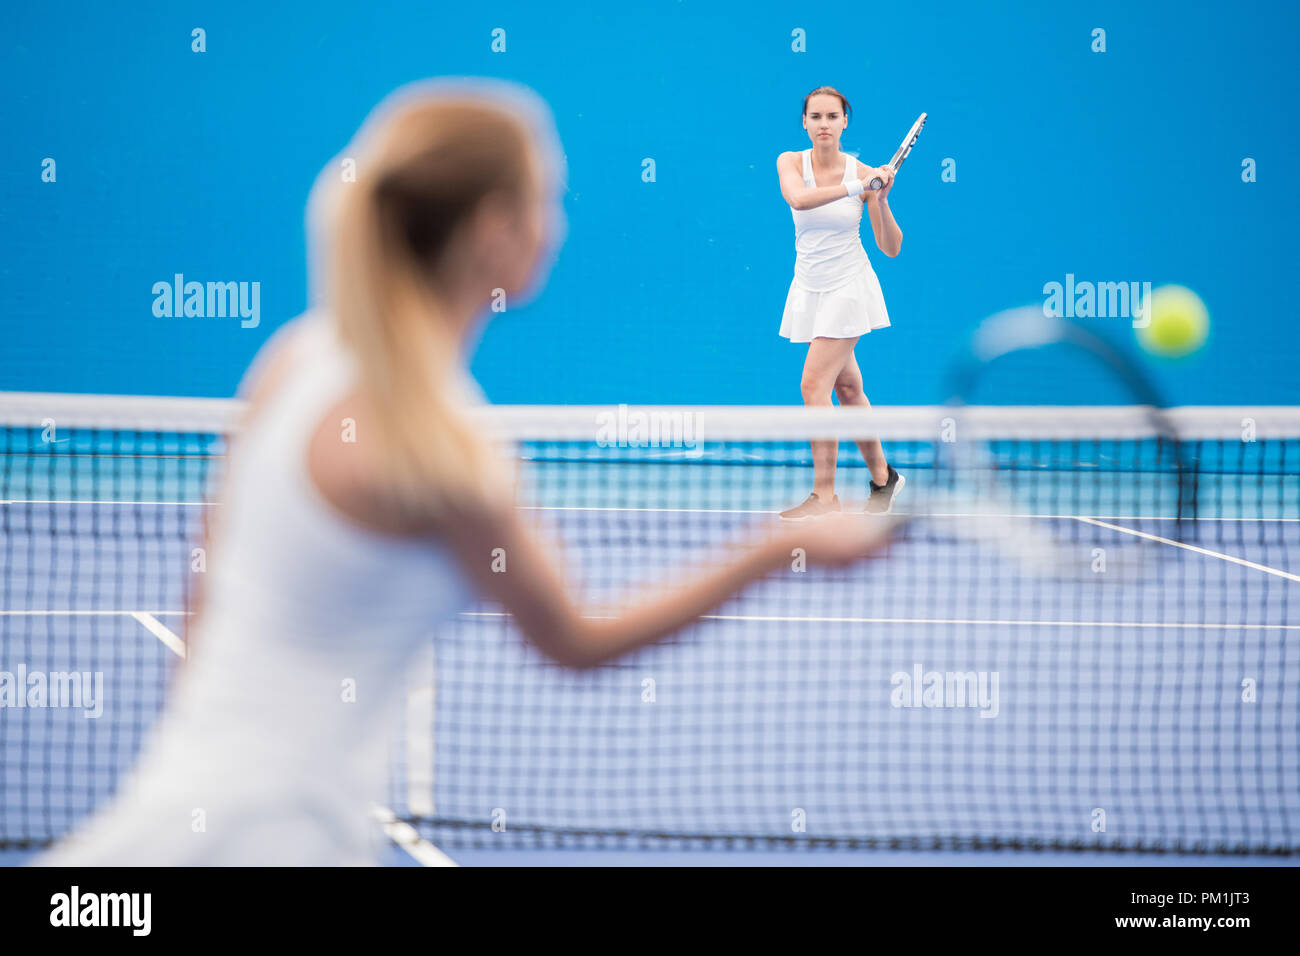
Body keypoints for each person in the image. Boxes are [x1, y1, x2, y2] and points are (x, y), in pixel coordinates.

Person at [41, 78, 898, 865]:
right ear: (496, 233)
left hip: (159, 823)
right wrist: (776, 552)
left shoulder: (294, 362)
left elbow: (205, 615)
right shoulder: (441, 448)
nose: (557, 223)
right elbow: (576, 639)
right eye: (548, 199)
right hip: (279, 840)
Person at [776, 86, 905, 519]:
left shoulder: (866, 175)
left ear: (845, 121)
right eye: (816, 117)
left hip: (849, 287)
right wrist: (859, 186)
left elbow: (890, 247)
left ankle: (825, 497)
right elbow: (798, 199)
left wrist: (880, 199)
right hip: (810, 287)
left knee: (813, 385)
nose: (824, 124)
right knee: (848, 389)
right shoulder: (791, 162)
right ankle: (885, 480)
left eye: (833, 116)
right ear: (805, 123)